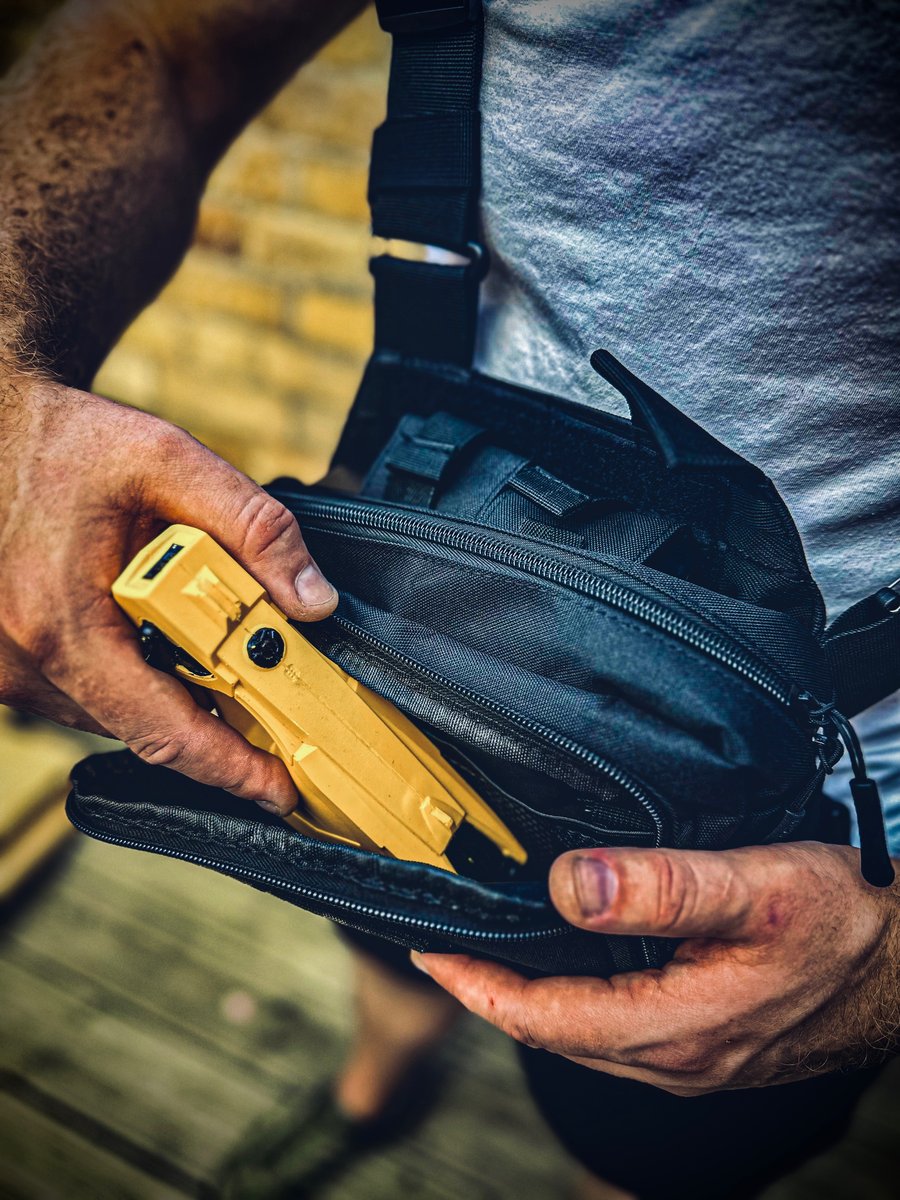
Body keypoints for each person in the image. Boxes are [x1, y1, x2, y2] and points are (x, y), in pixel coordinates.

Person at [1, 2, 897, 1197]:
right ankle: (375, 1082)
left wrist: (893, 970)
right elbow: (158, 35)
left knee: (653, 1148)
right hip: (406, 568)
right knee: (376, 902)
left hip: (819, 815)